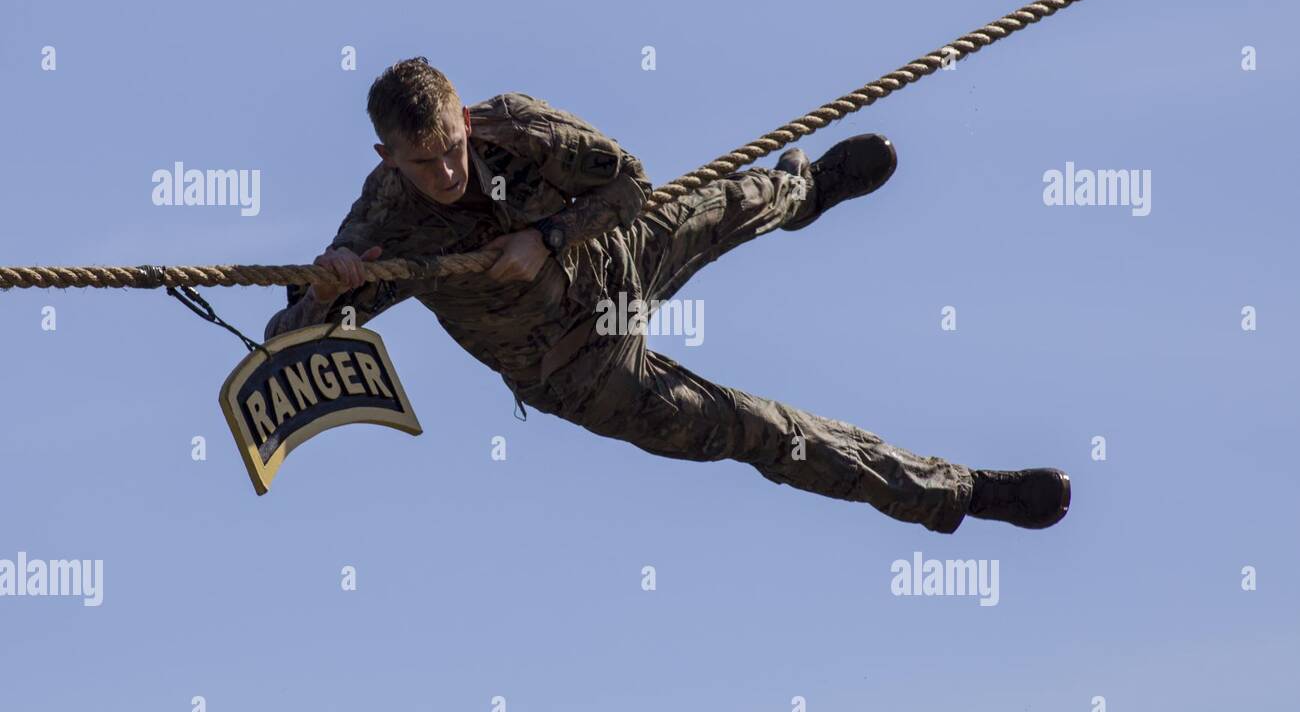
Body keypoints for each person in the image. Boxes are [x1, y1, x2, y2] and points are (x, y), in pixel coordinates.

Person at [265, 57, 1070, 533]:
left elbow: (630, 183)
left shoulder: (515, 126)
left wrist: (544, 238)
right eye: (422, 163)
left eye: (450, 152)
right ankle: (959, 491)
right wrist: (330, 290)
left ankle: (807, 191)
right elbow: (288, 339)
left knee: (738, 197)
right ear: (386, 154)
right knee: (763, 432)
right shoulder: (387, 217)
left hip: (614, 260)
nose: (444, 175)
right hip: (583, 369)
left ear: (464, 119)